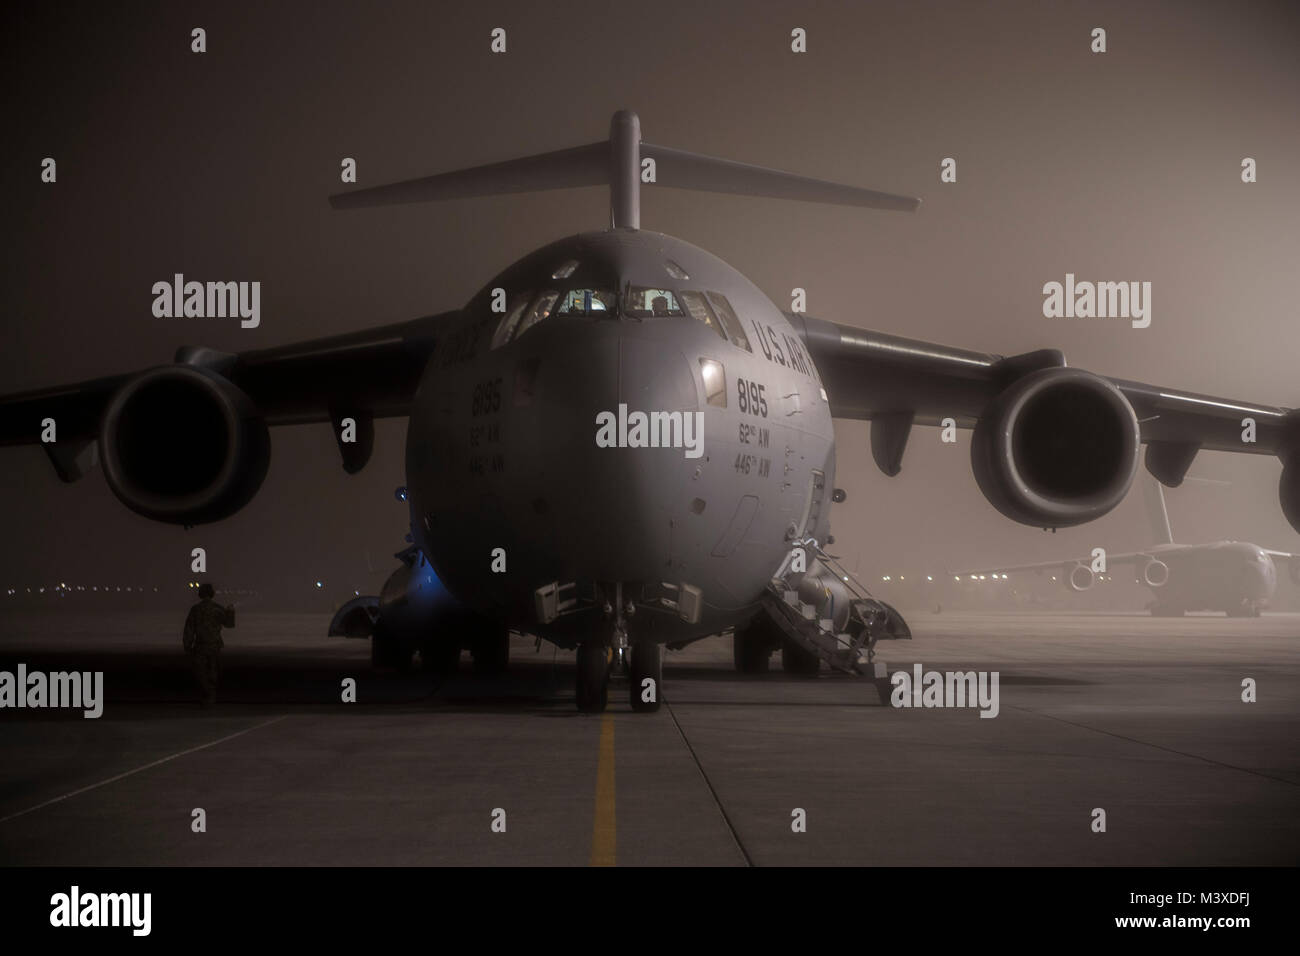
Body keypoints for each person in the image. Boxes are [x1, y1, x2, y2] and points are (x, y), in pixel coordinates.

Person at [183, 583, 235, 706]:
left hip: (200, 645)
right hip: (214, 645)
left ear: (200, 594)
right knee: (212, 671)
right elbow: (229, 624)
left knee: (200, 672)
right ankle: (211, 695)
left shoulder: (195, 609)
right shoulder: (218, 608)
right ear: (212, 594)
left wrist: (187, 646)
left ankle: (207, 694)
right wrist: (231, 612)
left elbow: (189, 629)